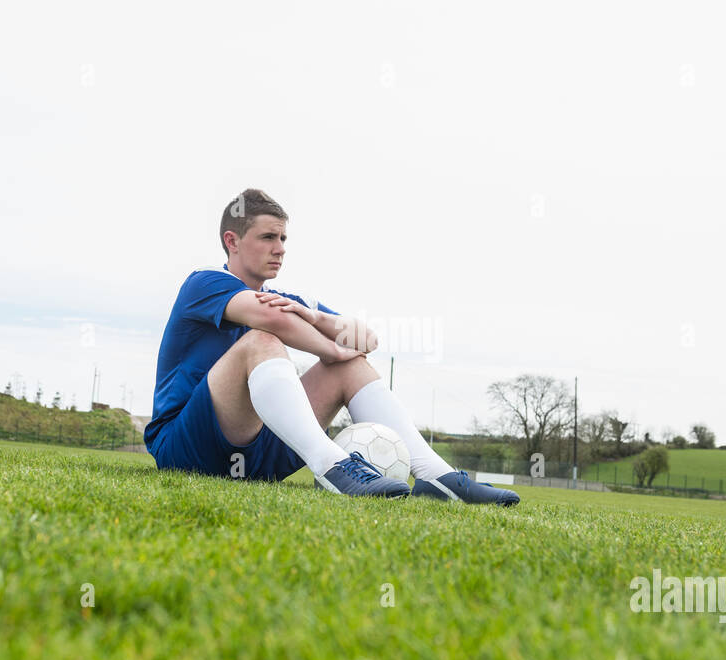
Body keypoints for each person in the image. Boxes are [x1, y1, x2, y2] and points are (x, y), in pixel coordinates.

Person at [144, 188, 519, 505]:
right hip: (187, 448)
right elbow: (271, 321)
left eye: (284, 239)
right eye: (268, 237)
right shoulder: (204, 283)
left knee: (351, 366)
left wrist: (316, 317)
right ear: (232, 241)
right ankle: (332, 467)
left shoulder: (285, 298)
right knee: (263, 341)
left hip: (256, 457)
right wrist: (330, 349)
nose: (280, 249)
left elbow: (366, 339)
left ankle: (436, 476)